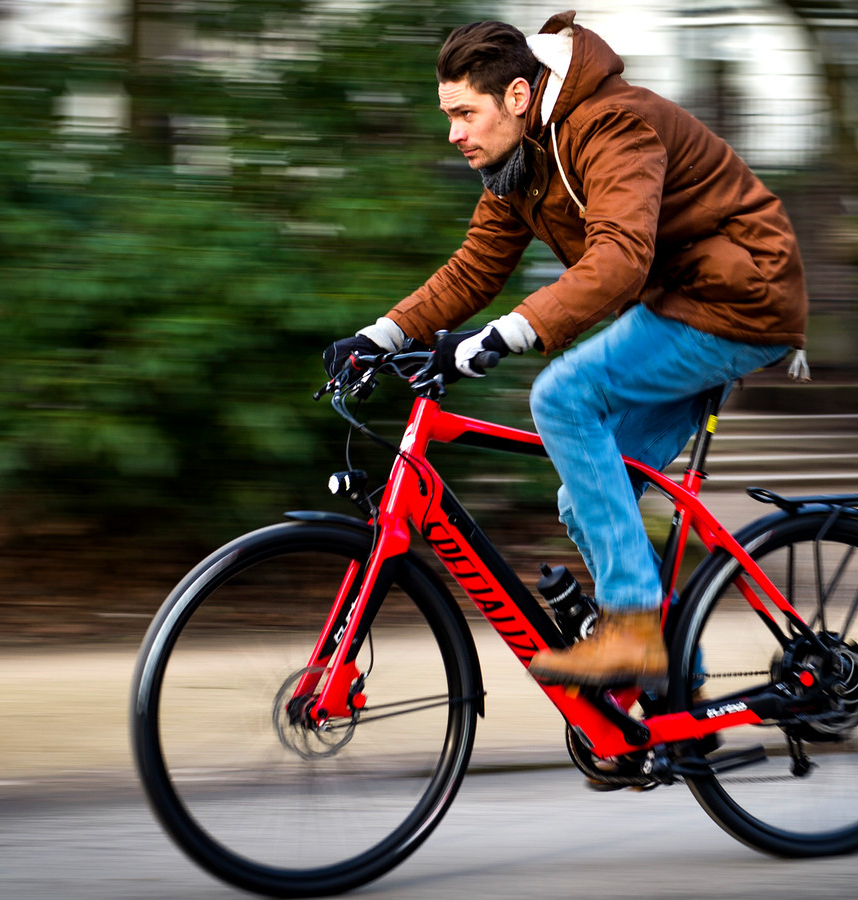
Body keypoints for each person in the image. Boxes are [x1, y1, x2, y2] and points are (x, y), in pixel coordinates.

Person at [323, 11, 808, 691]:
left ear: (517, 96)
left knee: (562, 394)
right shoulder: (520, 162)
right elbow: (475, 269)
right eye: (448, 116)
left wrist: (506, 334)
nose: (454, 133)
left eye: (465, 113)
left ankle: (632, 629)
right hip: (676, 305)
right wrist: (382, 335)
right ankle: (677, 697)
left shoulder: (611, 125)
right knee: (585, 504)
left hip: (736, 298)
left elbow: (620, 257)